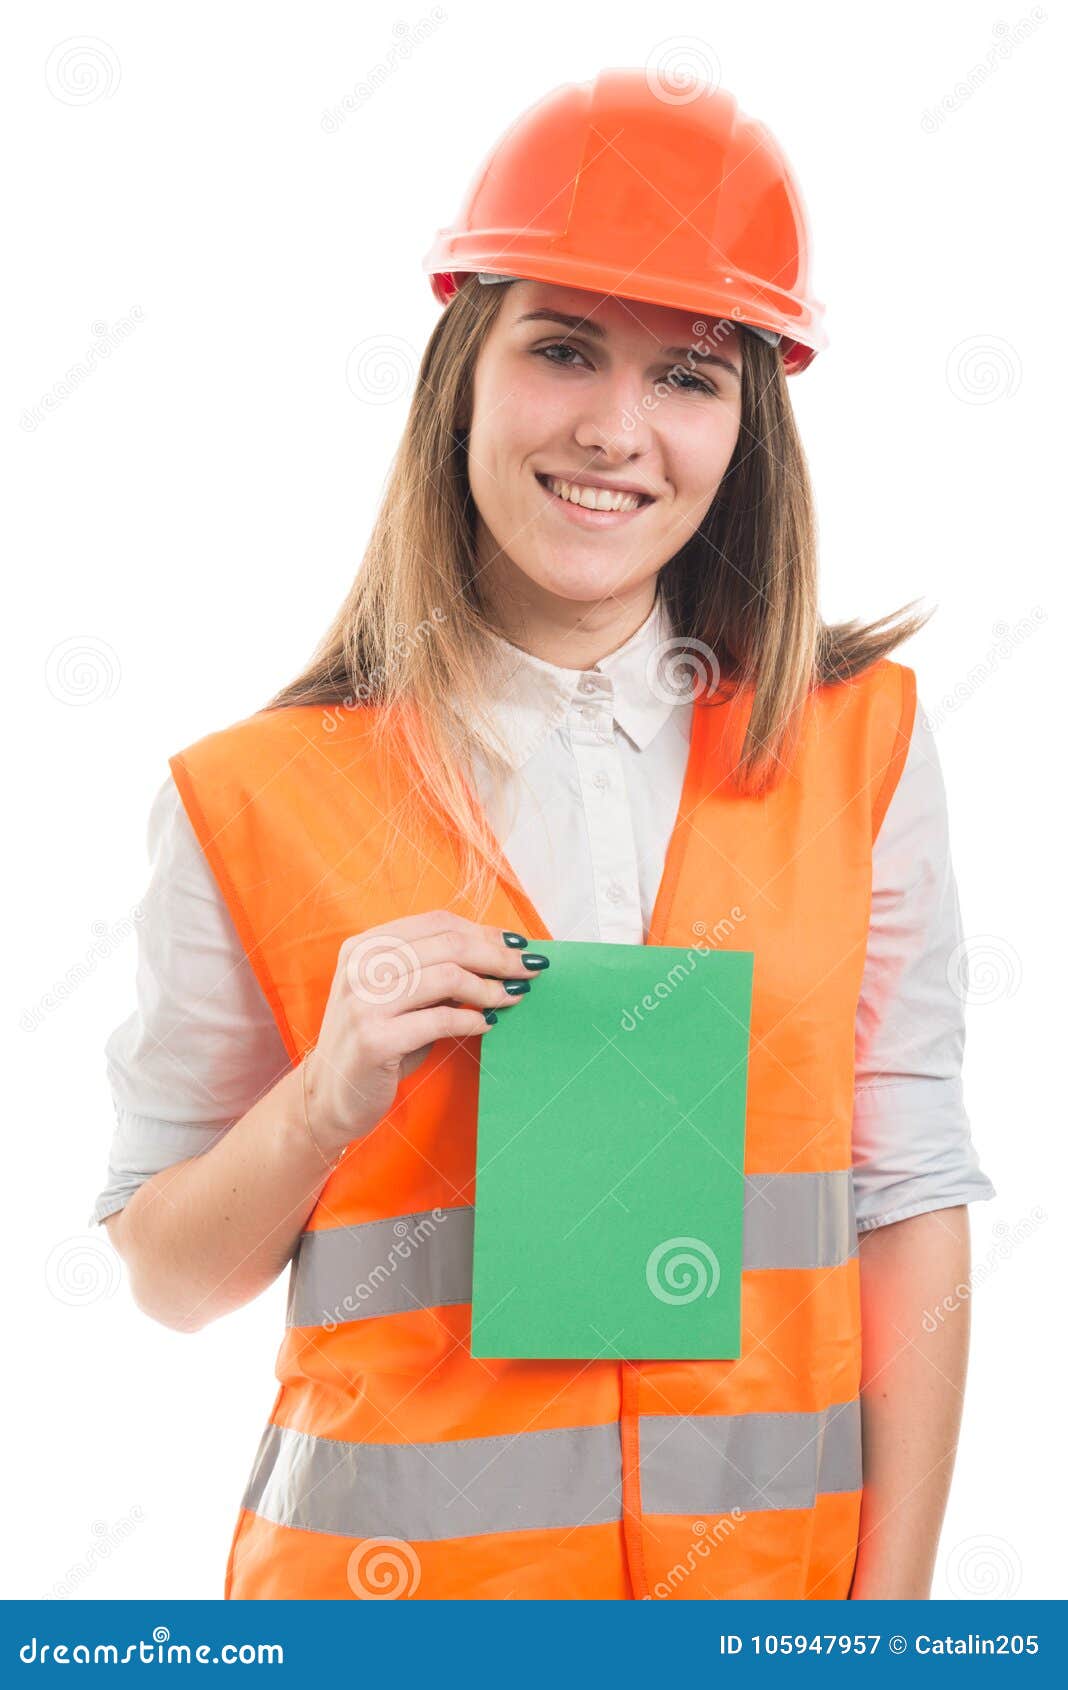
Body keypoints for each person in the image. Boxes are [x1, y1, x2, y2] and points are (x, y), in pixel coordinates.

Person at [92, 69, 995, 1601]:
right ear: (463, 372)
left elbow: (906, 1199)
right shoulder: (246, 797)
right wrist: (327, 1094)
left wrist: (886, 1628)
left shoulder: (859, 748)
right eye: (563, 349)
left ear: (747, 425)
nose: (615, 431)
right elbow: (169, 1280)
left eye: (690, 376)